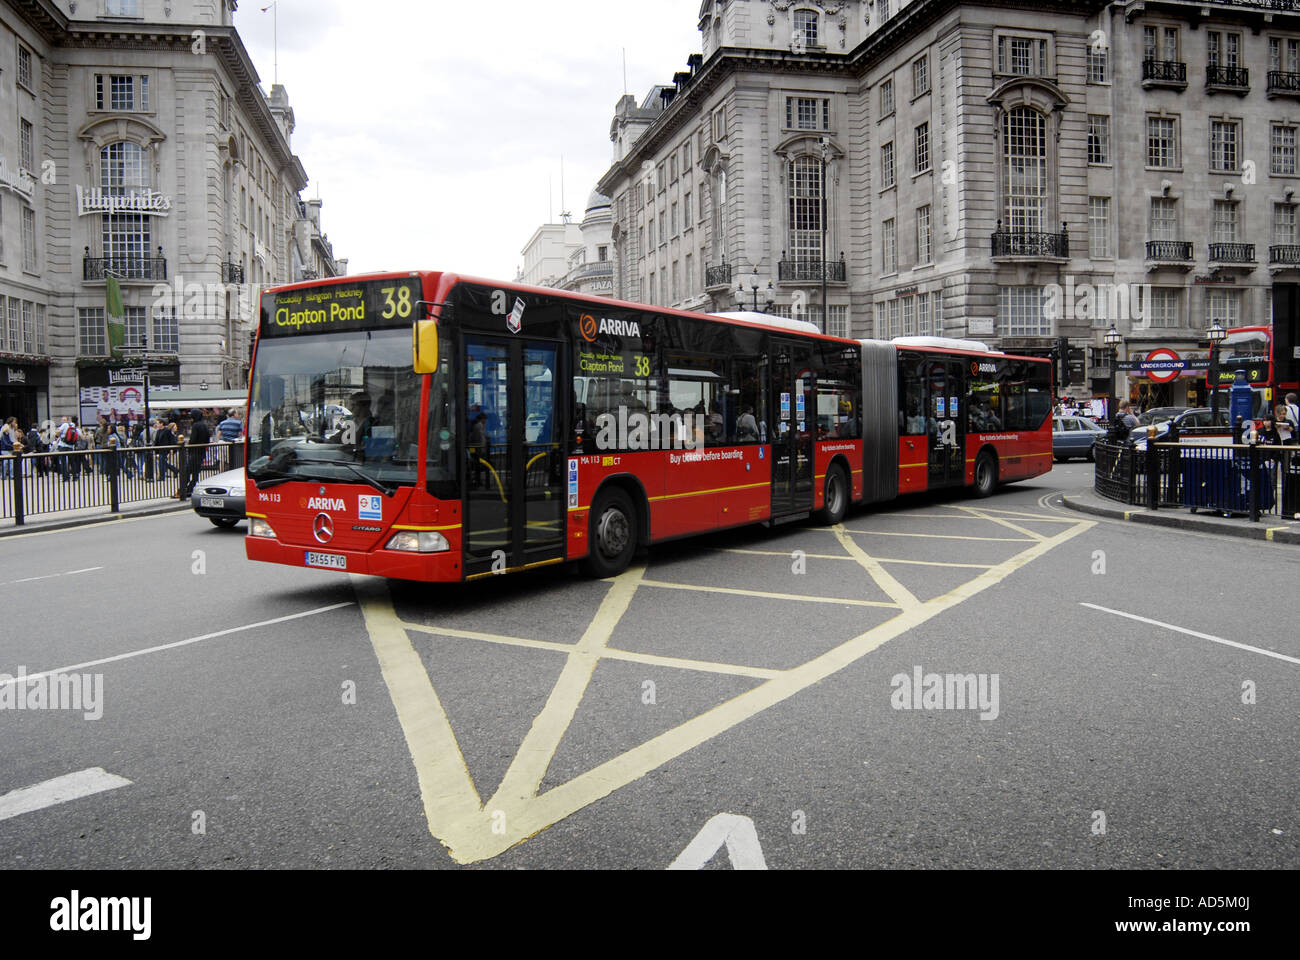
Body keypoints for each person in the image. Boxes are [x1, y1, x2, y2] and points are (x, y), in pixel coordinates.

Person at [179, 409, 210, 499]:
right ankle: (190, 488)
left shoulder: (196, 425)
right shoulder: (205, 425)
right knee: (196, 473)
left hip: (194, 452)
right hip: (201, 452)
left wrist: (189, 446)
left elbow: (193, 439)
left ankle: (183, 490)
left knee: (187, 471)